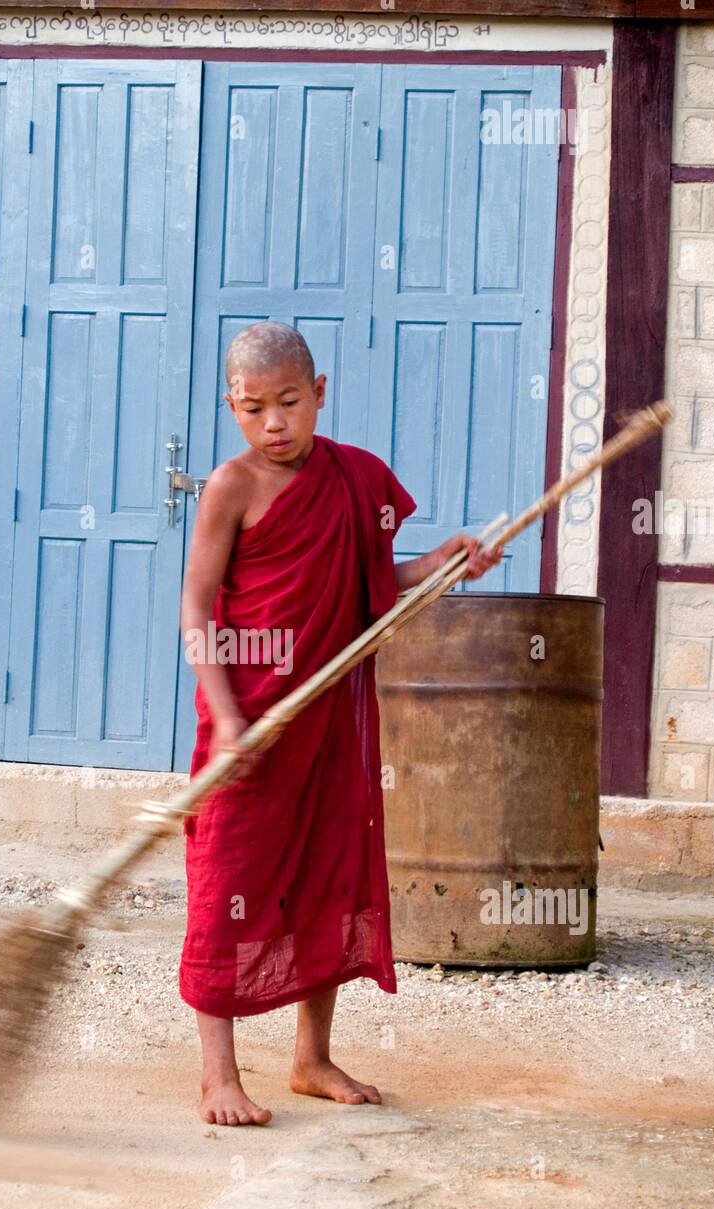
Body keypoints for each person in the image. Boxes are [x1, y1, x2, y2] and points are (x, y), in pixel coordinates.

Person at [179, 321, 504, 1126]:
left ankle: (310, 1056)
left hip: (330, 712)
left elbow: (371, 578)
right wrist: (224, 716)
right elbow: (194, 607)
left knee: (327, 872)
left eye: (290, 403)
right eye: (254, 409)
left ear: (319, 393)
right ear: (232, 408)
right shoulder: (230, 487)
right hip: (251, 713)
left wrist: (437, 564)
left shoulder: (357, 478)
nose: (275, 424)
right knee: (228, 876)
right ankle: (219, 1076)